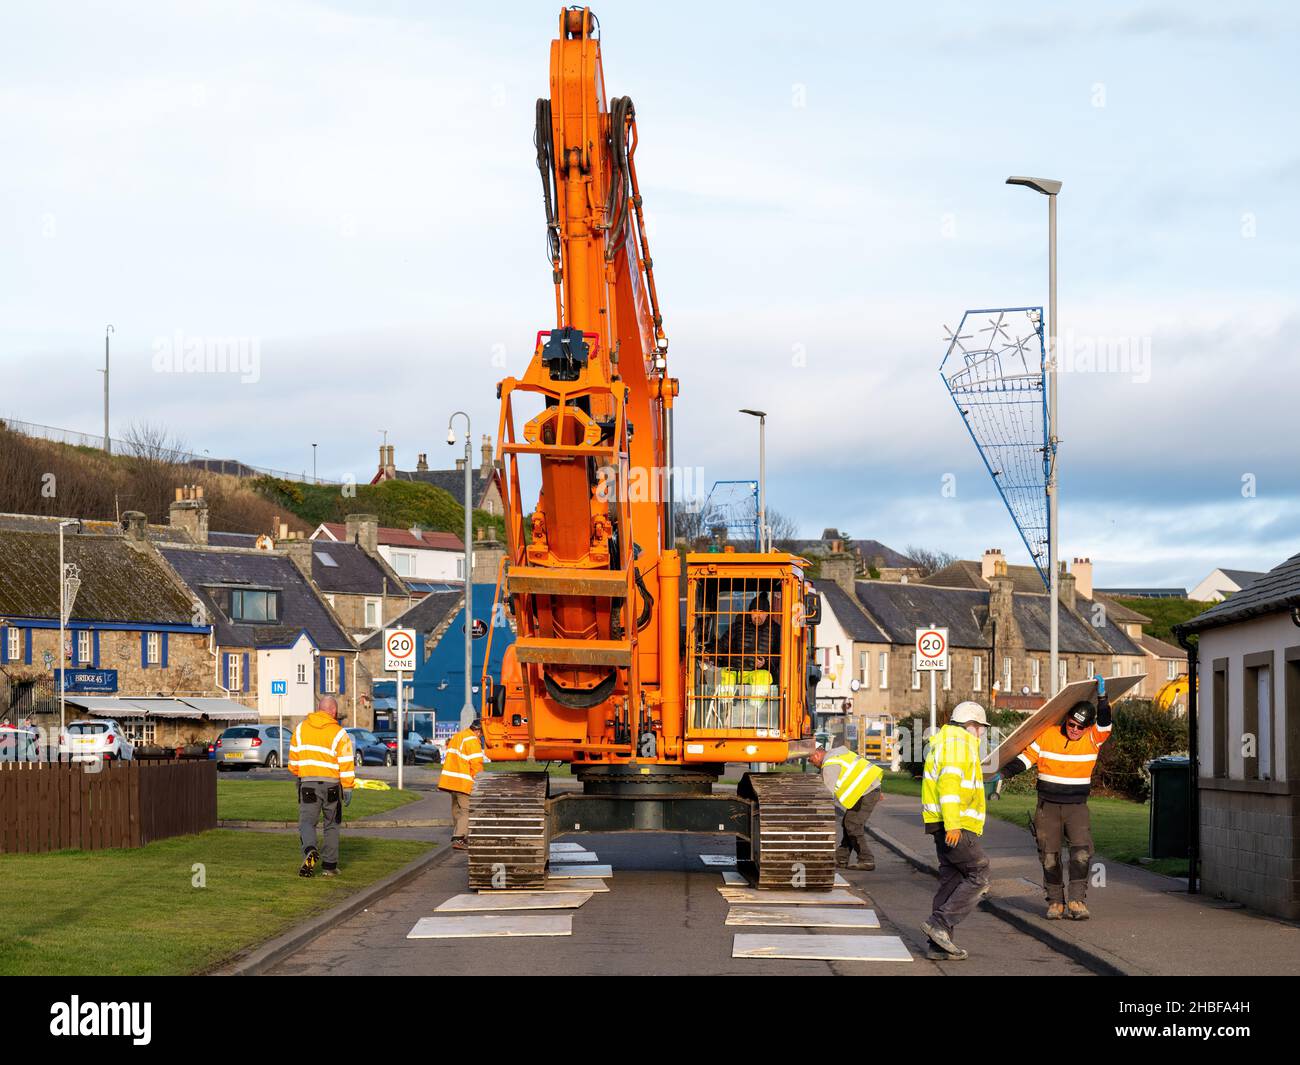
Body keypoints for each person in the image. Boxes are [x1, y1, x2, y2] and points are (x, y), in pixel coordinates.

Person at [997, 675, 1112, 920]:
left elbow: (1105, 723)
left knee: (1081, 852)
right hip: (1048, 806)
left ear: (1088, 727)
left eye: (1081, 727)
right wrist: (1002, 773)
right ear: (1066, 720)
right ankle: (1055, 902)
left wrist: (1103, 698)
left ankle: (1077, 901)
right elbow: (1026, 759)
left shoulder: (1093, 739)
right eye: (1071, 724)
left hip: (1077, 807)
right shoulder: (1048, 735)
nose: (1075, 730)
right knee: (1049, 856)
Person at [919, 701, 991, 961]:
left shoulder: (945, 742)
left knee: (951, 879)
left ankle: (938, 945)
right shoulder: (959, 745)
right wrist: (953, 824)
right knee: (979, 873)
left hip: (941, 823)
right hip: (955, 824)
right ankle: (939, 924)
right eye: (981, 728)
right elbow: (949, 786)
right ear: (970, 726)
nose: (982, 733)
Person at [288, 695, 355, 878]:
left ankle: (310, 850)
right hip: (332, 786)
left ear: (318, 708)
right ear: (333, 711)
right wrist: (348, 788)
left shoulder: (300, 729)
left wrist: (303, 773)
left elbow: (293, 762)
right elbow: (346, 762)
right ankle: (329, 867)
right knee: (331, 825)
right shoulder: (340, 733)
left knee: (307, 822)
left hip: (308, 784)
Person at [809, 743, 883, 870]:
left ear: (817, 754)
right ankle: (841, 858)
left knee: (852, 825)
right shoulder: (838, 755)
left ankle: (867, 859)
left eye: (810, 760)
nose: (812, 763)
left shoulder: (830, 765)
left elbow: (827, 794)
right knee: (848, 824)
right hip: (867, 790)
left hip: (866, 792)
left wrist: (817, 815)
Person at [440, 719, 485, 850]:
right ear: (478, 731)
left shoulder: (458, 736)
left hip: (450, 780)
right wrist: (480, 780)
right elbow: (476, 763)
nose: (481, 737)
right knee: (467, 811)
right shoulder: (472, 740)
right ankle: (459, 838)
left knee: (456, 809)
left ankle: (459, 833)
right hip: (463, 781)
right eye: (482, 734)